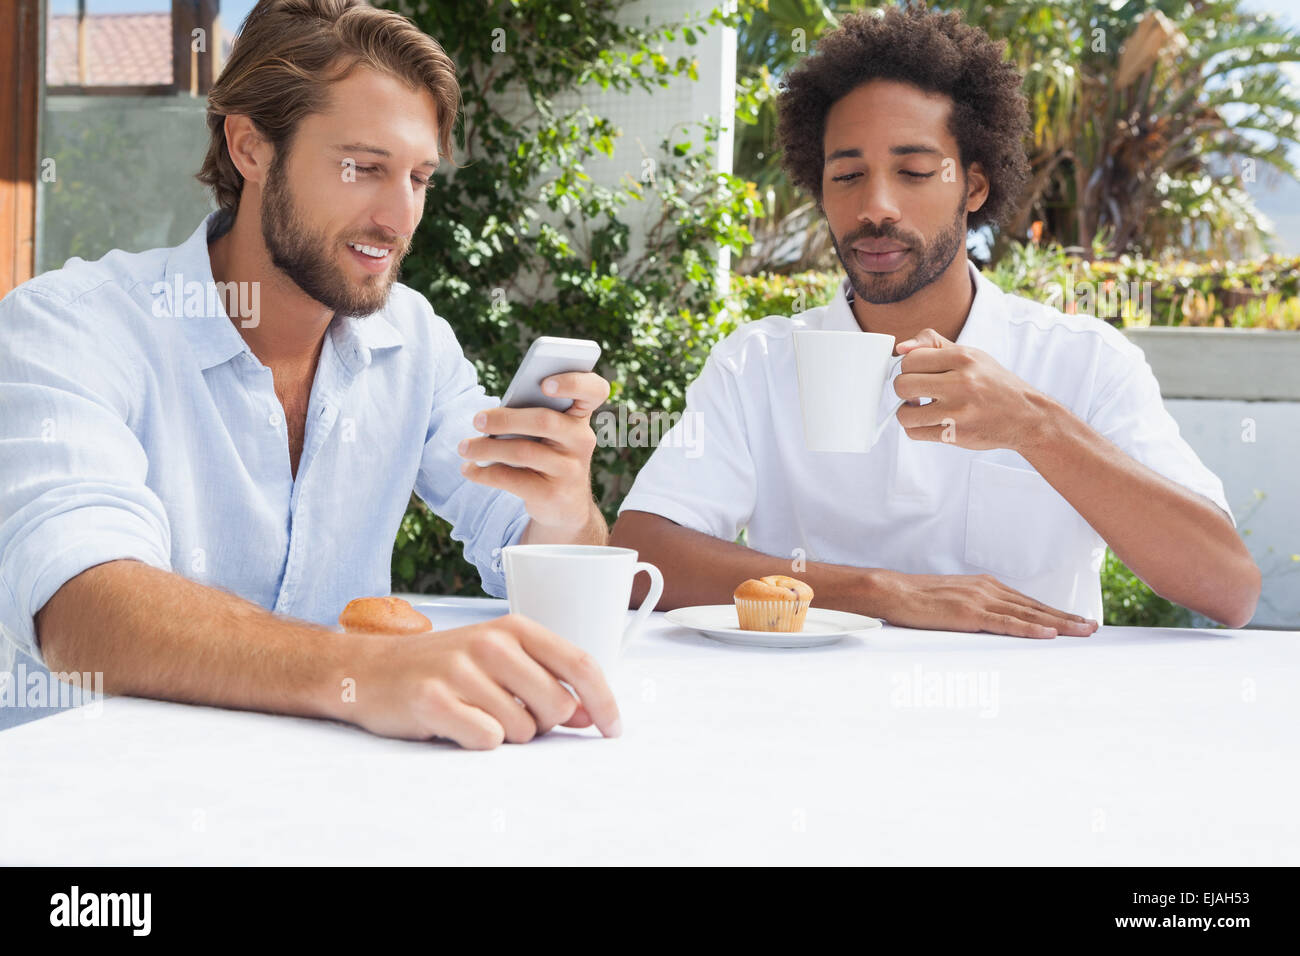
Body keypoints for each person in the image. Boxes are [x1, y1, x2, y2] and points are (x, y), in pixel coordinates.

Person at [0, 0, 620, 748]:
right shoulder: (71, 326)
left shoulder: (412, 339)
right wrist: (367, 674)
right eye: (364, 168)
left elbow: (530, 541)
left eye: (419, 178)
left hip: (317, 810)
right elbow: (83, 608)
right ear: (250, 147)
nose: (399, 218)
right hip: (91, 810)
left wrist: (559, 504)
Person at [610, 3, 1260, 636]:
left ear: (973, 186)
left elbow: (1227, 589)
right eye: (847, 176)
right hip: (807, 716)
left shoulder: (1081, 360)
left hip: (1037, 719)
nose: (876, 206)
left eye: (915, 171)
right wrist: (881, 593)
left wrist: (1037, 428)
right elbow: (642, 556)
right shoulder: (757, 362)